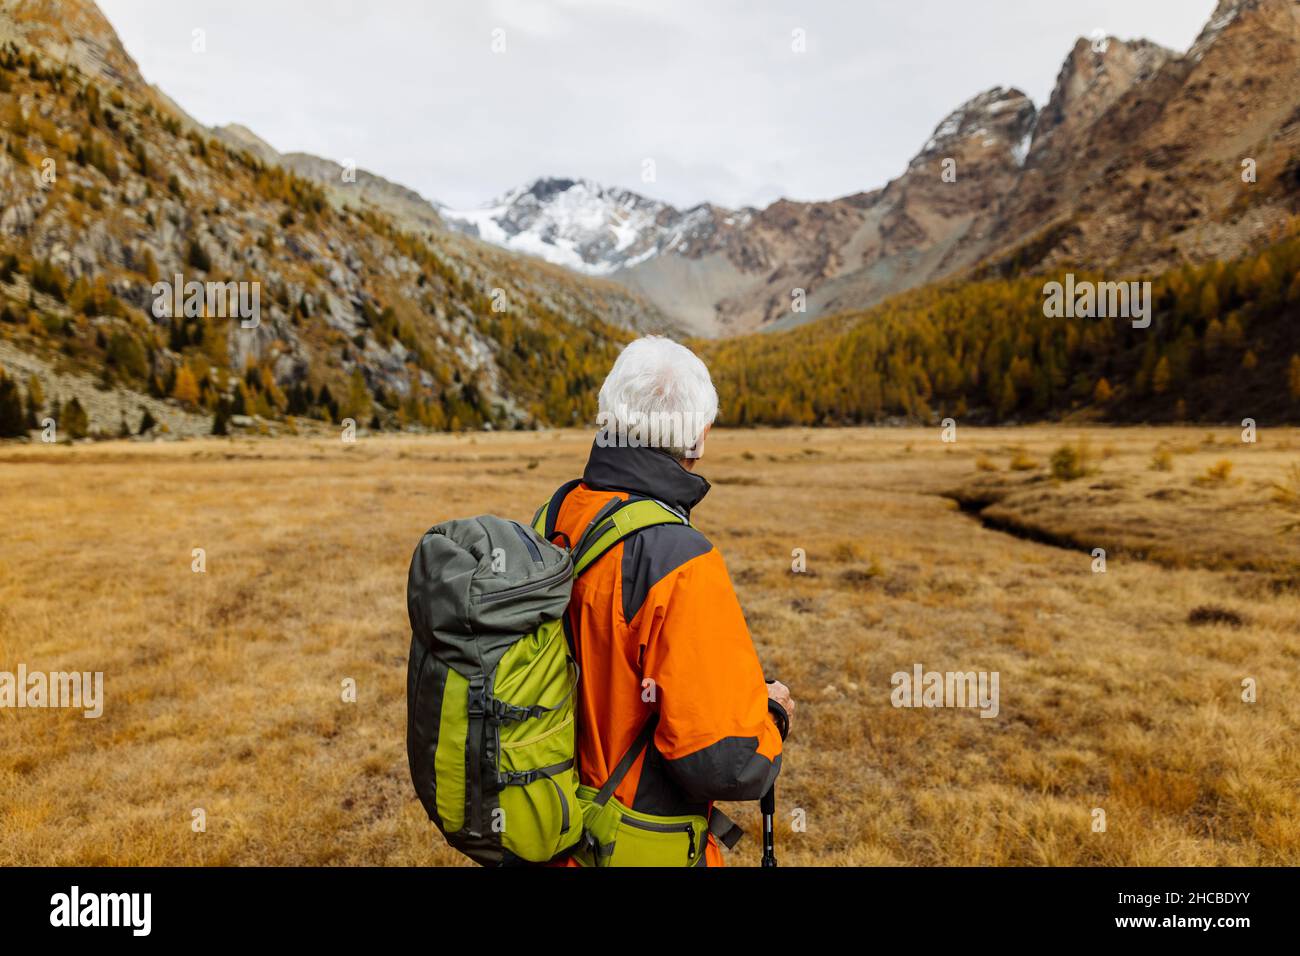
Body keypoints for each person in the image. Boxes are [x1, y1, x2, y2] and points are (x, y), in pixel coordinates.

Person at [545, 335, 793, 866]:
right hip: (633, 846)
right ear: (697, 438)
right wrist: (771, 715)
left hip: (551, 829)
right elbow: (724, 762)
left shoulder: (560, 512)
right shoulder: (681, 558)